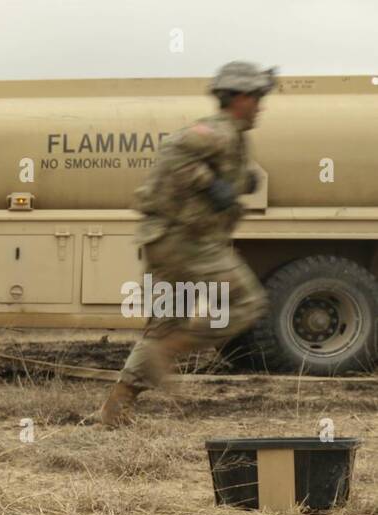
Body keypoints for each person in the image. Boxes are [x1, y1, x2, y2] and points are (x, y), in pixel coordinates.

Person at [94, 61, 276, 426]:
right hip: (188, 244)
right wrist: (211, 183)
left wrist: (241, 182)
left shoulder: (233, 137)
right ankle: (172, 350)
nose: (260, 105)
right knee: (249, 302)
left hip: (173, 242)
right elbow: (174, 150)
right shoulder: (215, 132)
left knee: (165, 323)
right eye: (256, 97)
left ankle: (116, 407)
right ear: (239, 98)